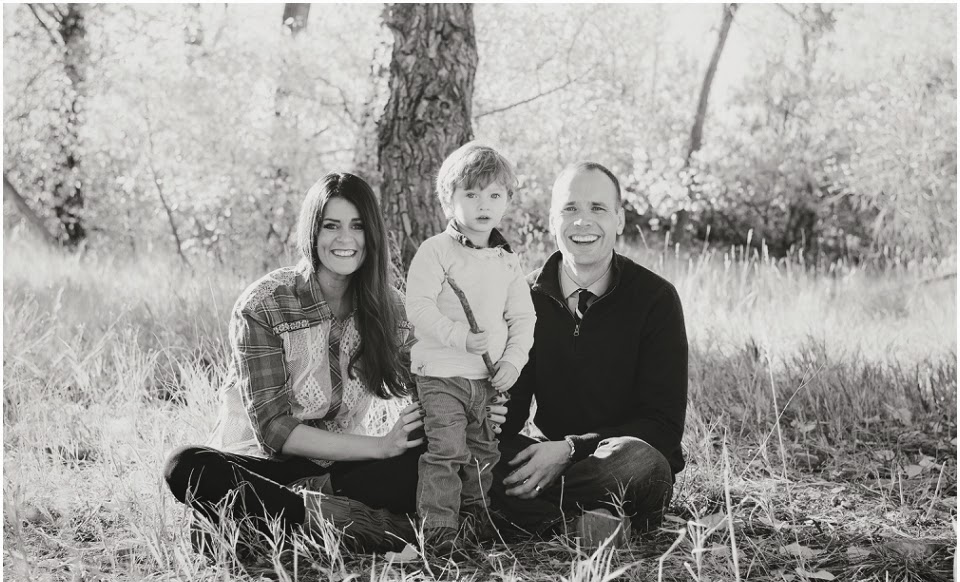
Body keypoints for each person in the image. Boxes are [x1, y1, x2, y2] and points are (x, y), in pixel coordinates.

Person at [163, 172, 507, 556]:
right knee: (187, 466)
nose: (345, 239)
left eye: (357, 226)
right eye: (331, 226)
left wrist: (478, 403)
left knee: (444, 448)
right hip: (258, 467)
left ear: (372, 234)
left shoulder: (388, 307)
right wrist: (381, 446)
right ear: (313, 232)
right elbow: (274, 431)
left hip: (337, 474)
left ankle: (266, 522)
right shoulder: (266, 304)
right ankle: (352, 524)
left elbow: (432, 380)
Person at [490, 161, 688, 543]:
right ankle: (579, 522)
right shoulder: (523, 298)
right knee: (470, 452)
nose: (583, 221)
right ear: (552, 220)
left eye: (597, 208)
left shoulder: (655, 300)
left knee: (642, 460)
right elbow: (512, 418)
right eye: (570, 209)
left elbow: (663, 427)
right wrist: (485, 405)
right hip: (545, 456)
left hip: (615, 464)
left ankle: (527, 513)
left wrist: (569, 449)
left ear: (619, 219)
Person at [405, 142, 536, 552]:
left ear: (507, 201)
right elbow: (419, 307)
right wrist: (459, 337)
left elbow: (523, 319)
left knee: (482, 452)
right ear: (449, 199)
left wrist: (512, 362)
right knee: (447, 451)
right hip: (441, 375)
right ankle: (439, 530)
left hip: (486, 376)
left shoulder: (506, 260)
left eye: (495, 195)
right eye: (472, 194)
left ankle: (476, 520)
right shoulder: (436, 251)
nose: (484, 204)